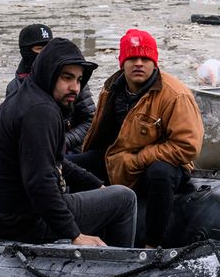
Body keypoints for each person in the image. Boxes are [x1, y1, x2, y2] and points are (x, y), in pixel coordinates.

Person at [0, 38, 137, 247]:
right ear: (49, 73)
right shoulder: (41, 111)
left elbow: (53, 160)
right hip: (18, 220)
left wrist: (95, 184)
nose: (74, 88)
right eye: (67, 78)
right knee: (124, 198)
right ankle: (122, 267)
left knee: (105, 192)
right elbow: (40, 181)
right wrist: (74, 234)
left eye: (78, 80)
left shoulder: (24, 96)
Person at [78, 29, 203, 246]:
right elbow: (101, 137)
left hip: (164, 164)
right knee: (73, 165)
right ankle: (72, 229)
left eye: (145, 58)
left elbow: (187, 146)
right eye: (132, 58)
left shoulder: (175, 94)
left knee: (160, 172)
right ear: (122, 63)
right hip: (120, 157)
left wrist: (138, 160)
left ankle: (153, 244)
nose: (138, 63)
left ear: (154, 63)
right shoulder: (111, 88)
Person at [5, 23, 95, 153]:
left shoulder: (73, 80)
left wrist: (63, 143)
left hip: (71, 151)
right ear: (25, 51)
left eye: (48, 48)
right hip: (35, 153)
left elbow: (91, 120)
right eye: (40, 49)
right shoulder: (15, 87)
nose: (45, 54)